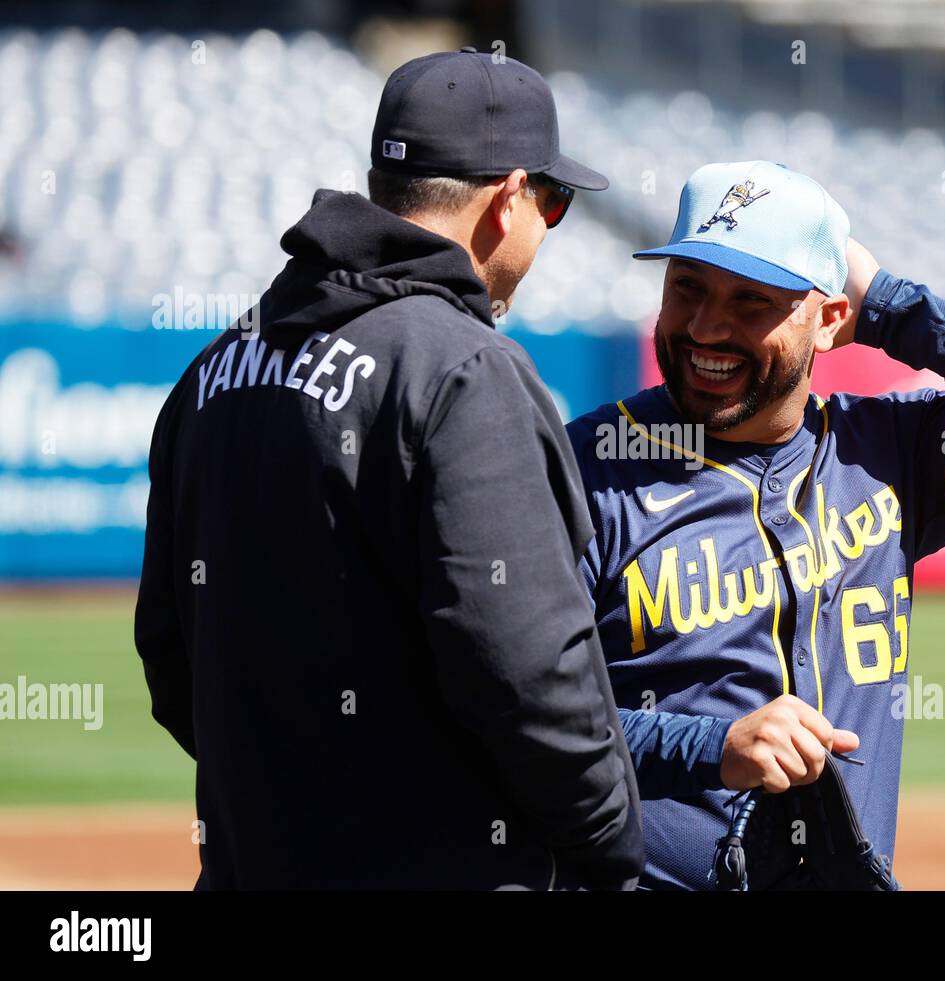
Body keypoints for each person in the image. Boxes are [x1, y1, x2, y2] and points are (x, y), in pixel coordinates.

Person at [134, 48, 642, 890]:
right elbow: (528, 671)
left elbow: (169, 657)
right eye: (552, 203)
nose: (547, 225)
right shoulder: (464, 369)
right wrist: (610, 846)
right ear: (510, 197)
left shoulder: (215, 369)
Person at [565, 159, 945, 889]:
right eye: (688, 288)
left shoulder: (889, 454)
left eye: (751, 301)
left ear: (830, 318)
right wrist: (711, 746)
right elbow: (524, 721)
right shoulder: (581, 468)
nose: (708, 326)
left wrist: (894, 306)